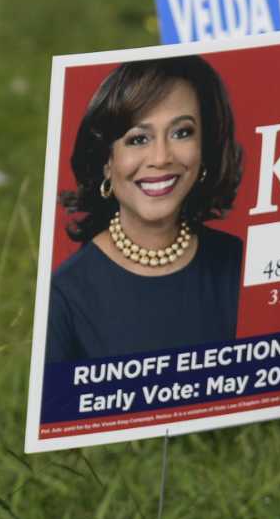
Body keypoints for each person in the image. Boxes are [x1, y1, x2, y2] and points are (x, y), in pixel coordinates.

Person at [44, 55, 246, 366]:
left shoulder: (241, 266)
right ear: (107, 162)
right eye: (138, 139)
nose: (162, 157)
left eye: (182, 133)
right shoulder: (65, 296)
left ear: (205, 148)